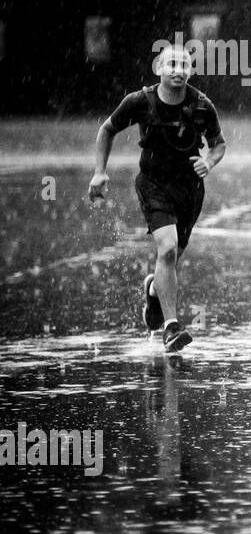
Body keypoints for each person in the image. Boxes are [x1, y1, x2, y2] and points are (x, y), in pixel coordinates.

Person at [88, 44, 226, 352]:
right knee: (167, 249)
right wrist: (100, 172)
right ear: (158, 68)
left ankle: (153, 291)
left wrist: (210, 161)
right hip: (153, 184)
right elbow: (107, 129)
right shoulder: (139, 101)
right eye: (171, 64)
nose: (178, 70)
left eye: (184, 65)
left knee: (173, 258)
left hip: (189, 189)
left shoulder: (202, 106)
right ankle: (171, 328)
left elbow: (218, 144)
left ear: (190, 71)